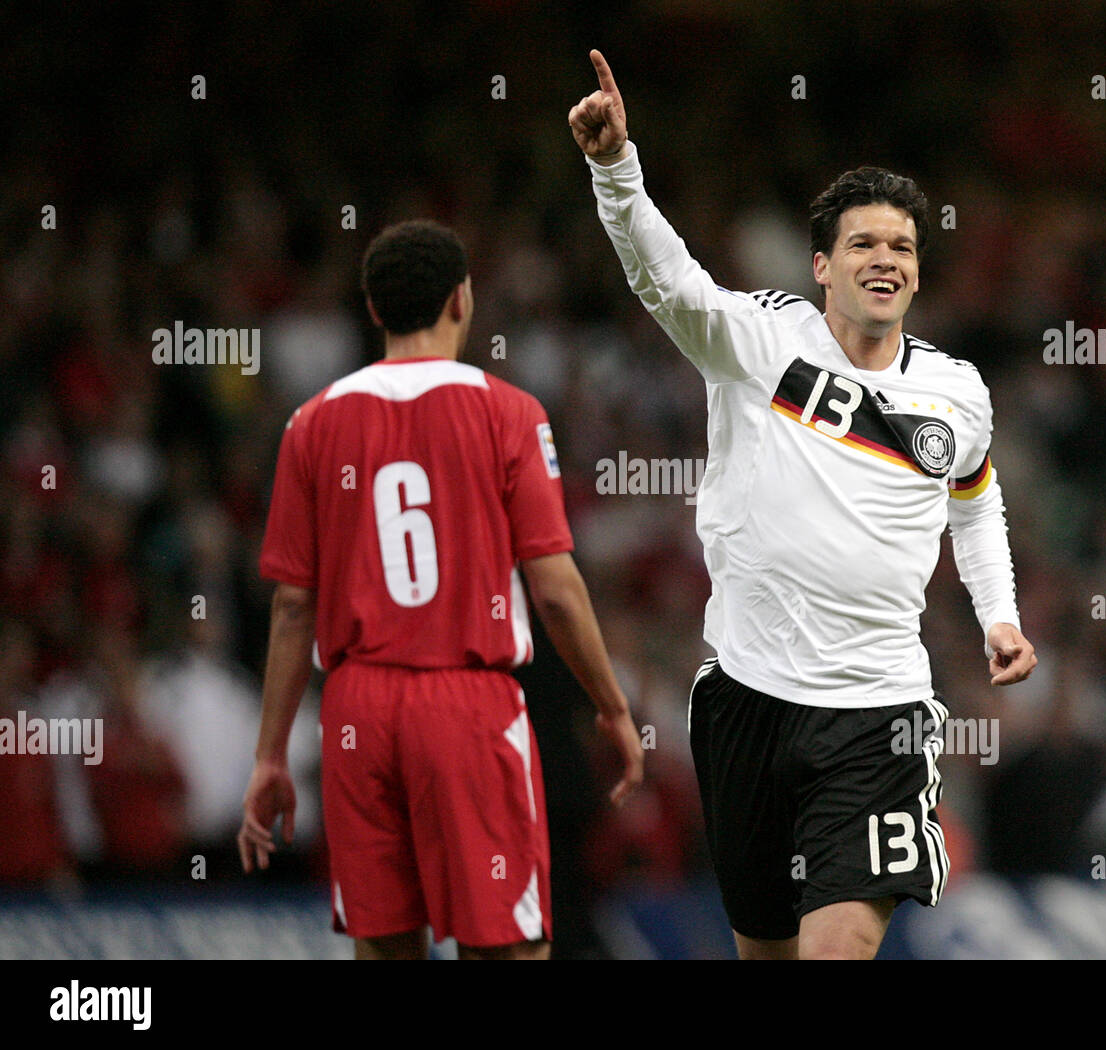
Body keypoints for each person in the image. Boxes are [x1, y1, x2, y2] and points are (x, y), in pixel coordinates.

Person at [569, 50, 1036, 960]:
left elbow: (976, 502)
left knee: (837, 952)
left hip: (878, 713)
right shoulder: (757, 342)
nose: (885, 260)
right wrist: (615, 170)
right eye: (864, 243)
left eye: (901, 246)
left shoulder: (955, 393)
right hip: (745, 700)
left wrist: (999, 618)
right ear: (822, 264)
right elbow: (666, 280)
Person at [238, 219, 643, 960]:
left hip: (357, 709)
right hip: (467, 704)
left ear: (372, 309)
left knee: (386, 946)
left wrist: (269, 756)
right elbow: (554, 589)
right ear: (463, 299)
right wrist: (612, 707)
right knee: (509, 945)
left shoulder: (311, 423)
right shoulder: (509, 412)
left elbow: (293, 604)